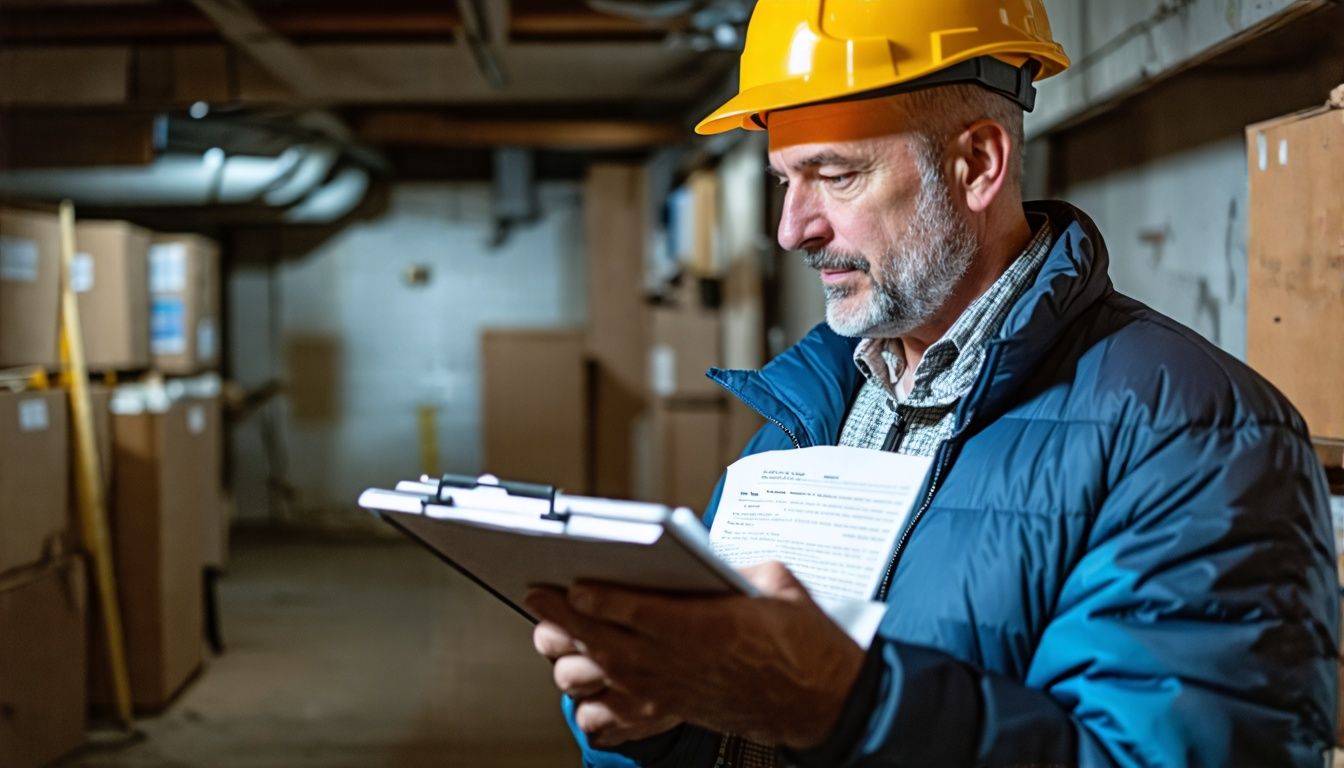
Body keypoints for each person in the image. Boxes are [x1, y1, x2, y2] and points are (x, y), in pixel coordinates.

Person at [525, 1, 1340, 765]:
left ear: (977, 162)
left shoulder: (1195, 434)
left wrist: (850, 706)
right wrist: (660, 720)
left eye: (835, 176)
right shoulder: (811, 408)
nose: (791, 229)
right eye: (785, 181)